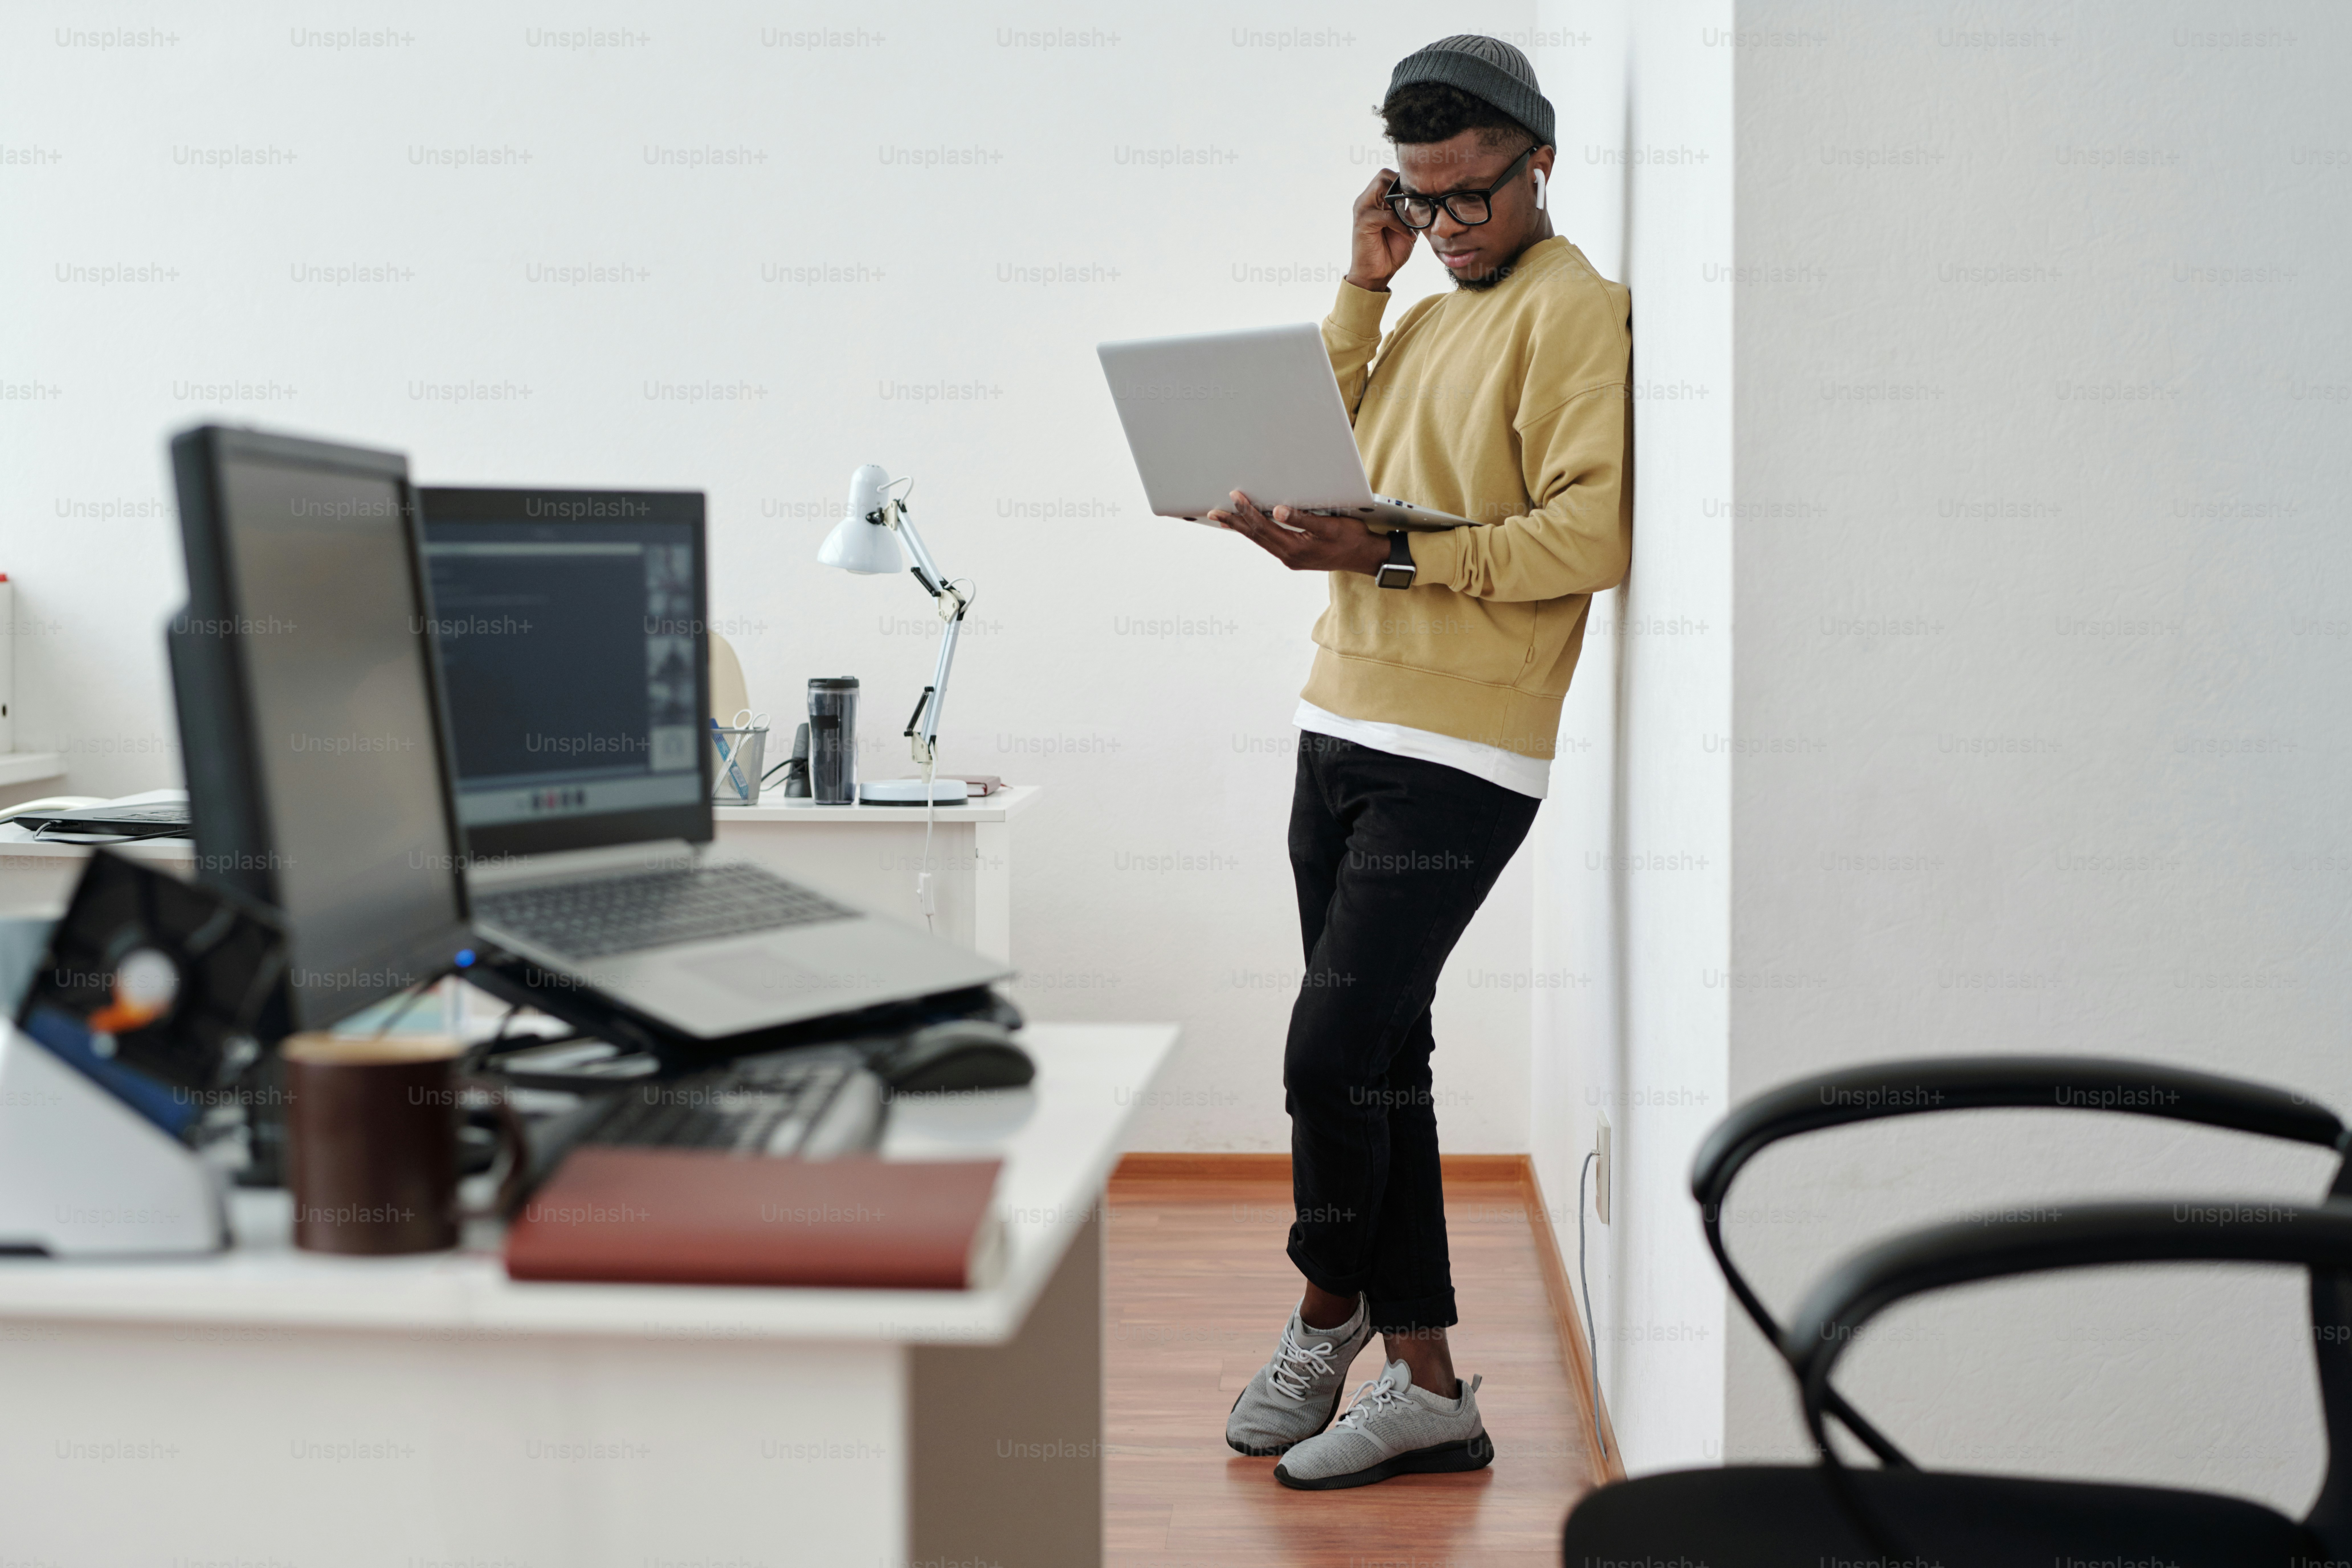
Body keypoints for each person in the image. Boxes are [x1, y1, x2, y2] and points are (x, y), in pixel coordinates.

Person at [1210, 34, 1632, 1491]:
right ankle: (1429, 1385)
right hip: (1344, 712)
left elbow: (1589, 535)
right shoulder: (1425, 298)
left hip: (1464, 748)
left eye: (1470, 200)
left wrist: (1386, 548)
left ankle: (1332, 1309)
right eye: (1418, 196)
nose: (1449, 226)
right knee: (1384, 1061)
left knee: (1327, 1053)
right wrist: (1360, 285)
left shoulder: (1577, 311)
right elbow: (1334, 441)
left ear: (1540, 167)